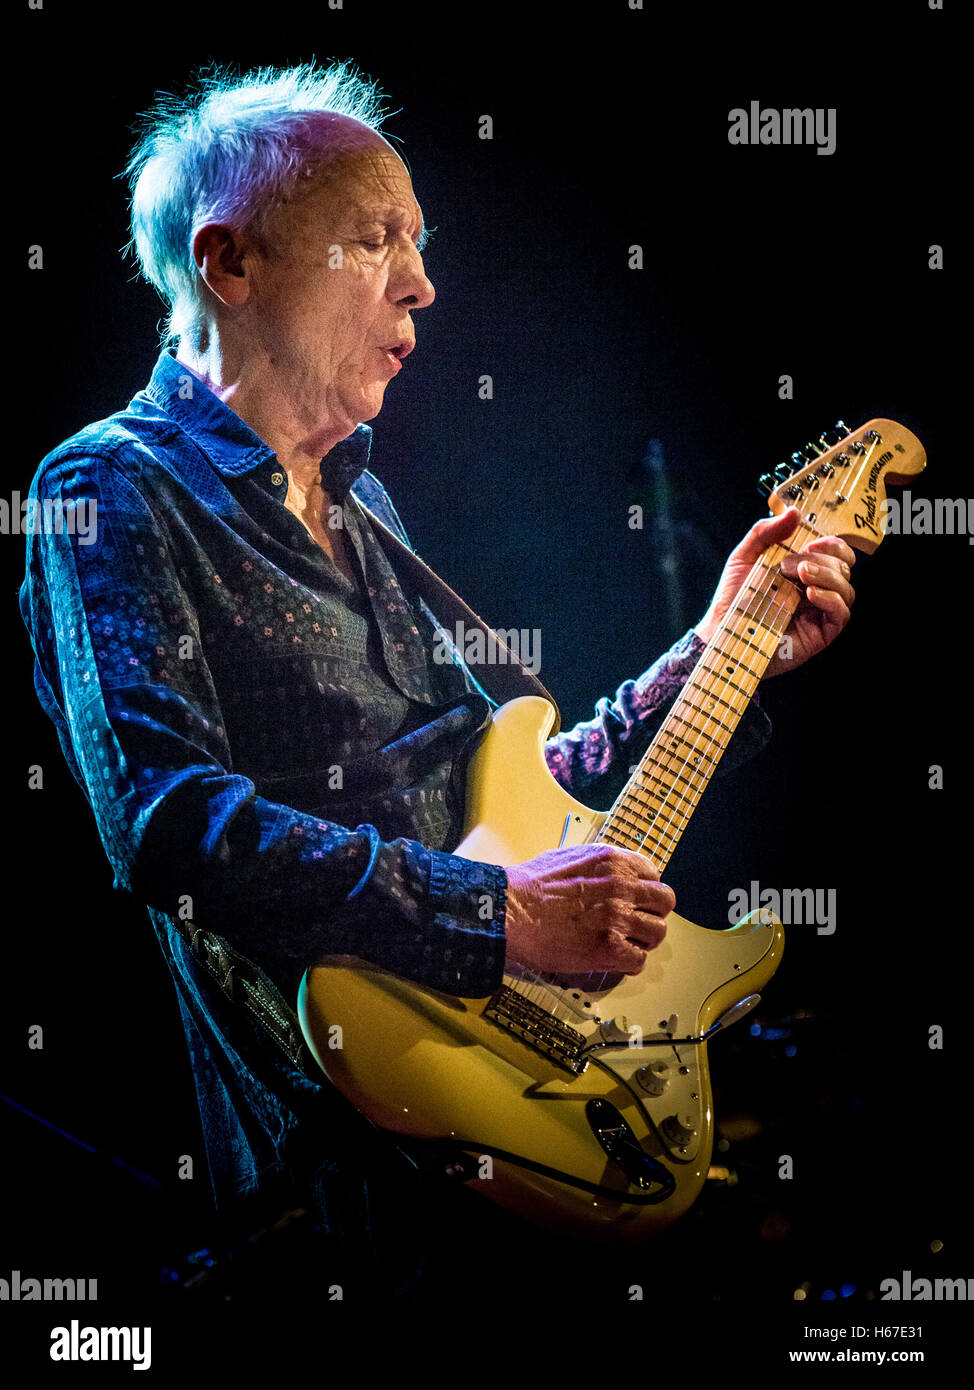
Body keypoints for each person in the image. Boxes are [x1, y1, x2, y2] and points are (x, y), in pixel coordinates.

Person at [19, 61, 856, 1301]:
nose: (422, 284)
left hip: (509, 1123)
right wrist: (496, 915)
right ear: (229, 264)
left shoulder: (369, 508)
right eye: (375, 240)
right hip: (344, 1172)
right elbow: (165, 819)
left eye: (417, 244)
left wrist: (716, 656)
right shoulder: (107, 489)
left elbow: (517, 804)